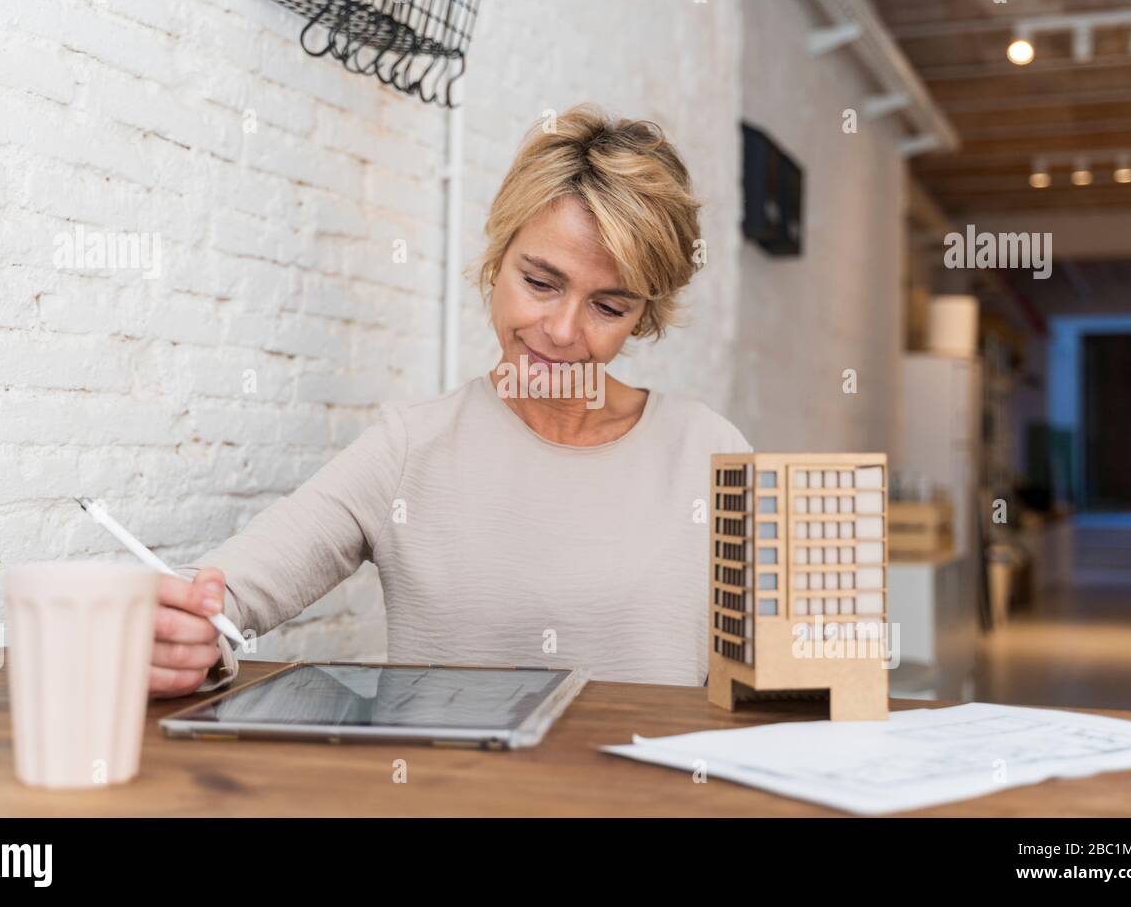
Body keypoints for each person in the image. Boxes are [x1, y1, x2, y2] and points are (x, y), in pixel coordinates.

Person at [148, 104, 751, 698]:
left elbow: (778, 679)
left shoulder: (710, 452)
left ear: (644, 316)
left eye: (609, 307)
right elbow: (225, 590)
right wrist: (182, 633)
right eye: (540, 283)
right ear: (496, 261)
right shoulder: (412, 447)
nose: (564, 330)